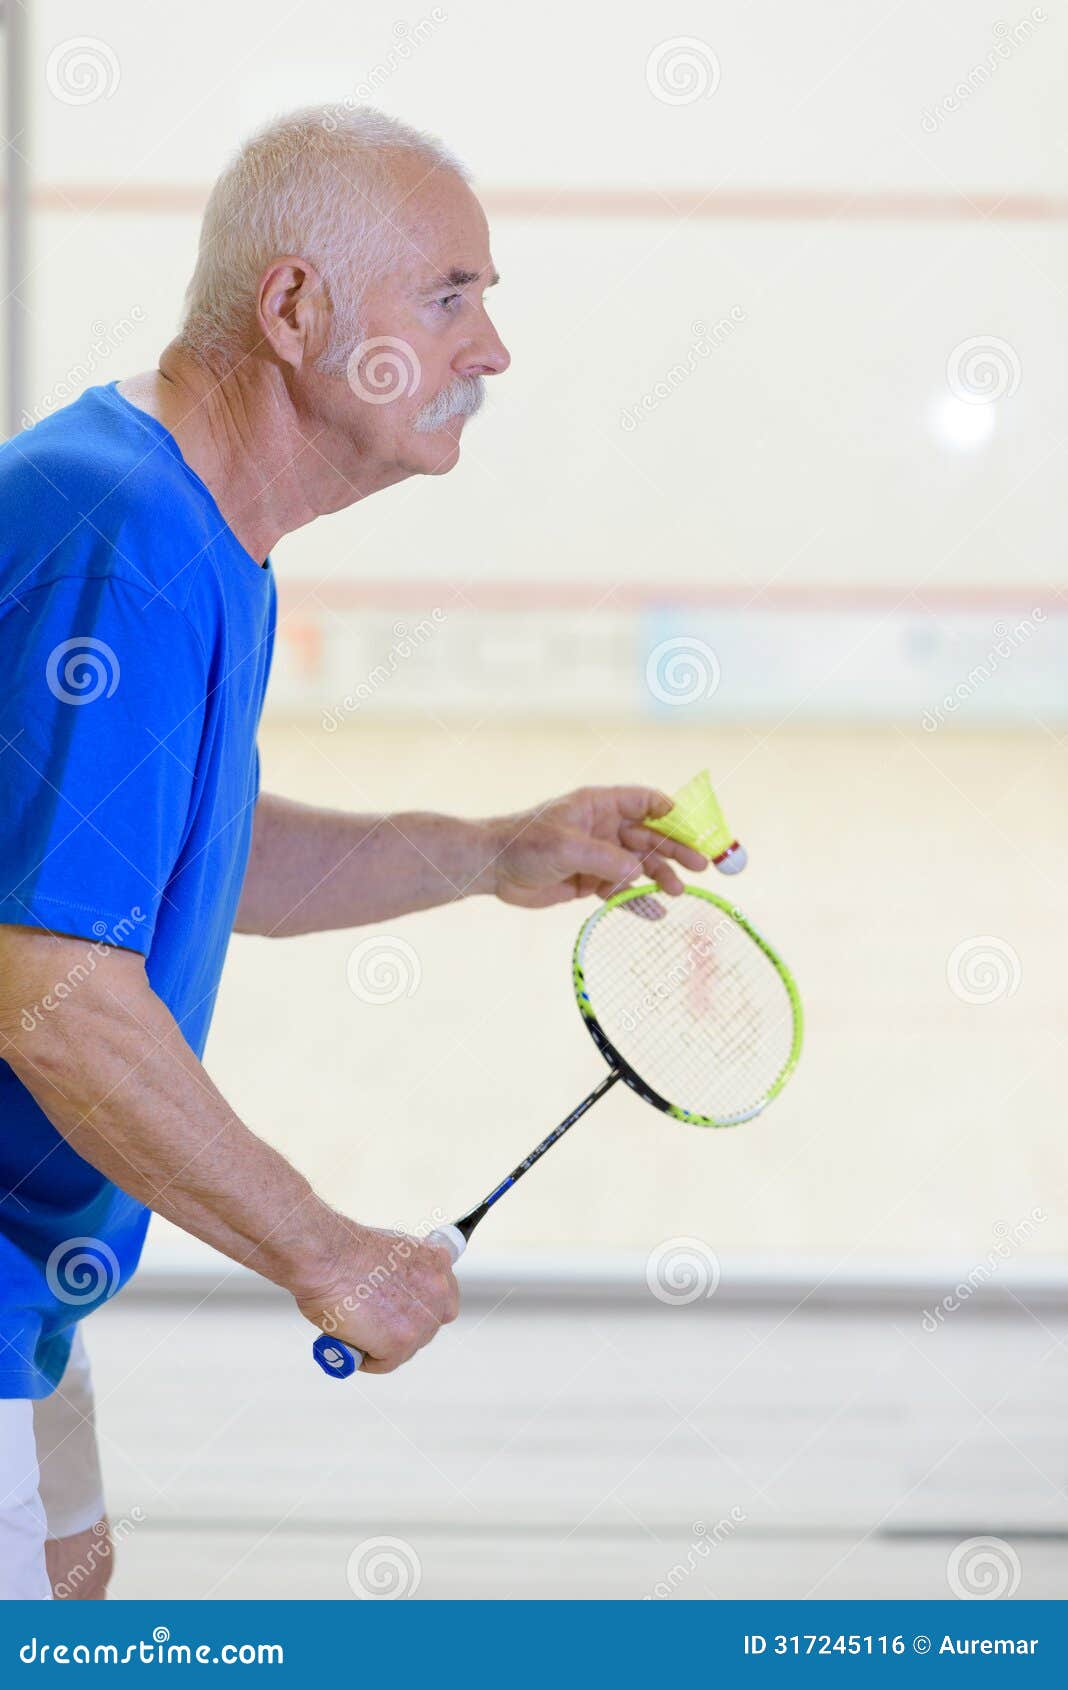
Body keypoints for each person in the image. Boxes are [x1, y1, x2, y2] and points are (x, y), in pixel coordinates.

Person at [0, 106, 707, 1600]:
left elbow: (185, 863)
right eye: (452, 294)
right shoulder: (120, 535)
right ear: (297, 308)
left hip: (25, 1286)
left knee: (72, 1586)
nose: (493, 349)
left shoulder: (188, 528)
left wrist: (491, 852)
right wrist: (325, 1250)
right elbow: (54, 989)